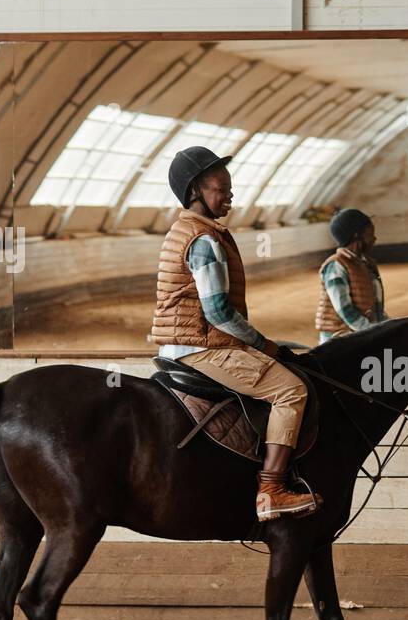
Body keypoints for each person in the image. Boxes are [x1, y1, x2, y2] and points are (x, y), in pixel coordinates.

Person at [152, 146, 320, 522]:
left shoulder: (184, 230)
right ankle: (272, 489)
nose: (230, 195)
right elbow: (219, 313)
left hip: (183, 342)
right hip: (200, 347)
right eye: (221, 188)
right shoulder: (205, 241)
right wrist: (266, 345)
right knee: (292, 389)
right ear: (195, 190)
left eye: (230, 188)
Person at [316, 208, 389, 344]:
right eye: (370, 233)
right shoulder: (335, 266)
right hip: (339, 341)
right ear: (357, 235)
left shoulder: (366, 263)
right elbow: (345, 311)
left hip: (361, 335)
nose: (374, 238)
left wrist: (389, 327)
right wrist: (374, 331)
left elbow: (376, 309)